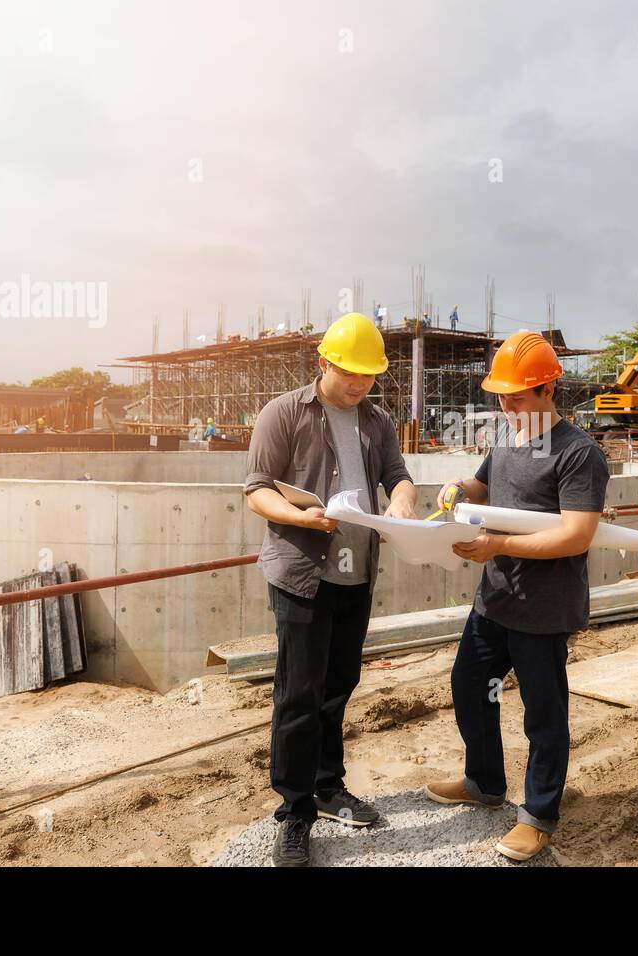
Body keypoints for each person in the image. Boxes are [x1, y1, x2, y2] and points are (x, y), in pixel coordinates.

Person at [424, 331, 609, 862]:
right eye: (500, 396)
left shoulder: (579, 454)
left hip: (543, 610)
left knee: (543, 715)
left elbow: (576, 534)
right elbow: (488, 487)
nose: (506, 405)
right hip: (495, 601)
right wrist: (460, 486)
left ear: (549, 389)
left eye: (518, 396)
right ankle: (484, 783)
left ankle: (538, 816)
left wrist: (498, 544)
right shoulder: (506, 438)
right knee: (467, 686)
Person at [243, 312, 418, 867]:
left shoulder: (377, 420)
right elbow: (256, 491)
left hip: (356, 573)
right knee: (298, 692)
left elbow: (398, 474)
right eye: (350, 374)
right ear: (324, 364)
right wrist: (302, 519)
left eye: (369, 376)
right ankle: (294, 813)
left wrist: (402, 502)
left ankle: (327, 784)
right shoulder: (283, 414)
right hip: (303, 573)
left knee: (339, 683)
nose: (360, 384)